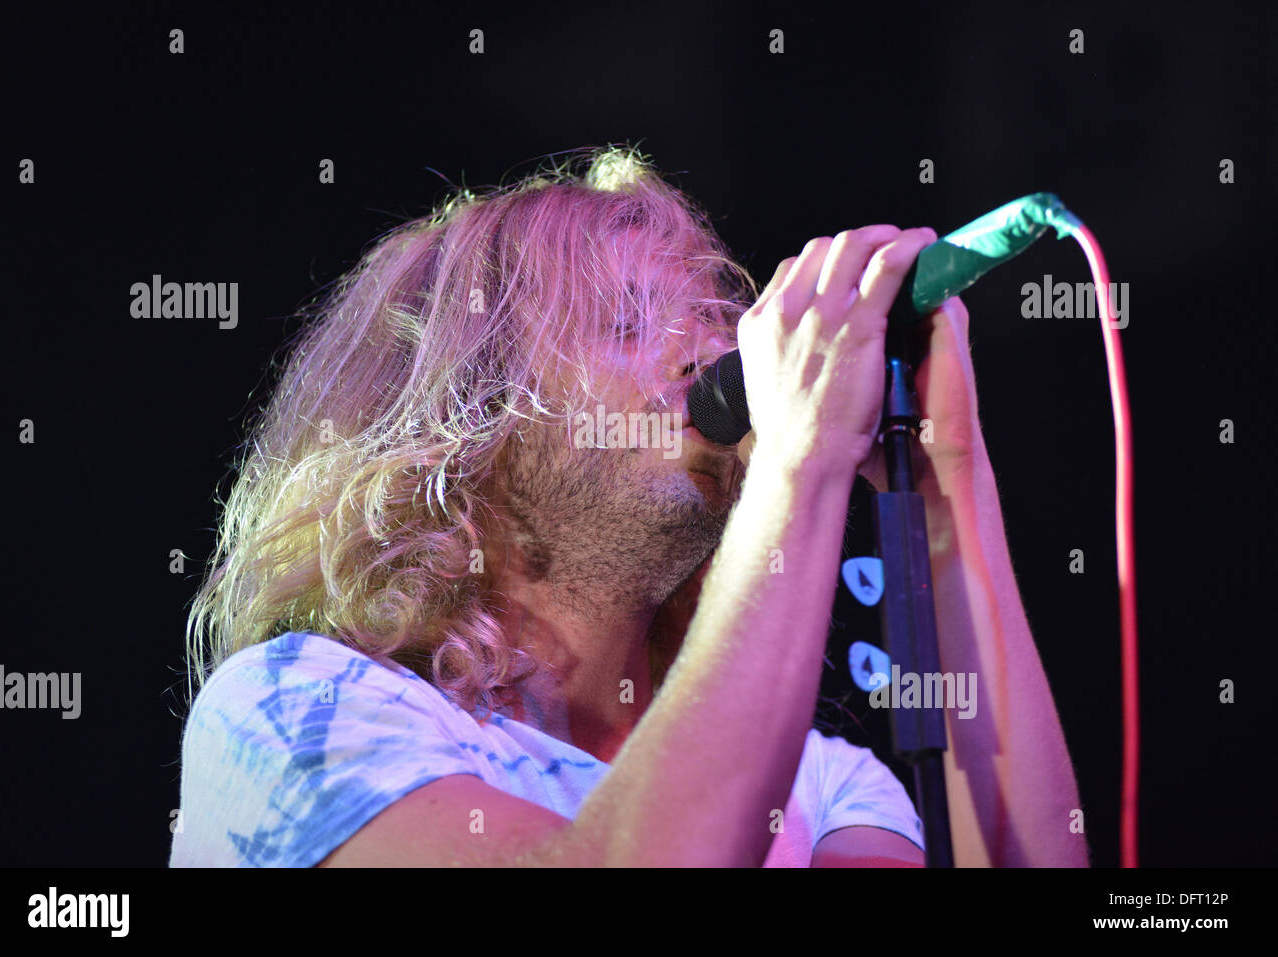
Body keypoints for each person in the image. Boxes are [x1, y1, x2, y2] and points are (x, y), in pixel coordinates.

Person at [170, 146, 1087, 867]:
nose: (705, 355)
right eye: (628, 322)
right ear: (467, 424)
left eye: (706, 320)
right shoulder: (302, 710)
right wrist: (801, 468)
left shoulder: (823, 786)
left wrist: (945, 479)